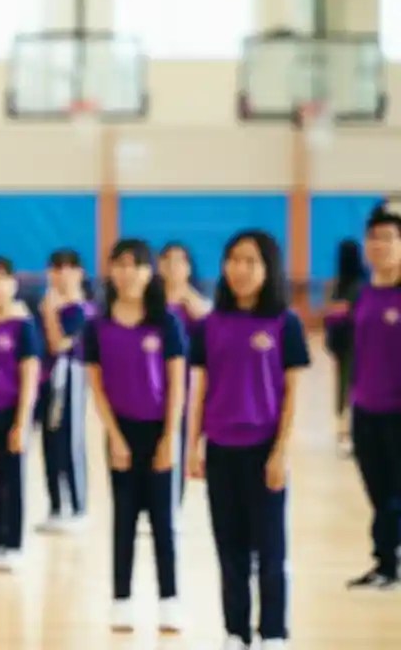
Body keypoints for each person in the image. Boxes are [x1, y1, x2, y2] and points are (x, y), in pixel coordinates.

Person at [187, 229, 309, 650]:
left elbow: (292, 394)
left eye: (251, 261)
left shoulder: (285, 323)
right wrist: (193, 446)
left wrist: (280, 453)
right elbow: (199, 391)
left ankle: (272, 632)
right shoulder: (209, 325)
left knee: (271, 551)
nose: (240, 269)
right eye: (234, 260)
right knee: (230, 549)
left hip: (264, 451)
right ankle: (235, 632)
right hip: (221, 450)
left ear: (268, 268)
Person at [84, 239, 185, 634]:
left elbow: (177, 385)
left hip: (159, 431)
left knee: (163, 521)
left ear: (148, 272)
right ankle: (121, 599)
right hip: (121, 433)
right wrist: (114, 436)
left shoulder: (167, 322)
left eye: (136, 265)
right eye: (120, 265)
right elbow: (96, 385)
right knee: (123, 519)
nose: (128, 273)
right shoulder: (98, 325)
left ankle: (170, 600)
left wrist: (170, 438)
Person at [334, 200, 401, 591]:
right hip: (366, 409)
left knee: (395, 495)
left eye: (389, 239)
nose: (380, 246)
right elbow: (352, 355)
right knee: (379, 493)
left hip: (397, 411)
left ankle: (390, 563)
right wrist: (347, 410)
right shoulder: (360, 294)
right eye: (374, 239)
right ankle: (384, 563)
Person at [0, 257, 41, 572]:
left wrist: (22, 422)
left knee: (11, 480)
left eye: (3, 278)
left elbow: (30, 375)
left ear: (14, 285)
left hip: (10, 413)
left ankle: (12, 544)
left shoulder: (23, 326)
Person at [35, 248, 92, 533]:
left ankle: (78, 507)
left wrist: (49, 314)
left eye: (69, 268)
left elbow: (59, 344)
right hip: (46, 380)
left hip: (69, 379)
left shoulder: (82, 310)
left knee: (70, 441)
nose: (62, 274)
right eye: (56, 268)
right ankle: (57, 506)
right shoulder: (44, 304)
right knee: (49, 443)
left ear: (79, 273)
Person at [158, 241, 211, 507]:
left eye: (180, 261)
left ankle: (173, 503)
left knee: (177, 441)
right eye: (167, 260)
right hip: (153, 383)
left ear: (189, 267)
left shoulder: (196, 304)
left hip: (186, 386)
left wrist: (189, 299)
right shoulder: (152, 303)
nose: (173, 266)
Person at [324, 238, 367, 457]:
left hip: (346, 342)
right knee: (351, 383)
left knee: (345, 383)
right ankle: (348, 430)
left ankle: (346, 430)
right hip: (353, 342)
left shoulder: (340, 284)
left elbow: (333, 312)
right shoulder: (363, 283)